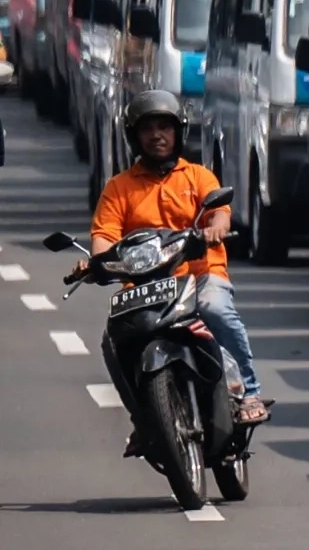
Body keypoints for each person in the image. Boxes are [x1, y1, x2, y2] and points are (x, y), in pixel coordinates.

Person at [75, 92, 269, 428]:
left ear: (179, 132)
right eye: (147, 128)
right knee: (115, 339)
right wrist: (95, 262)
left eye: (164, 127)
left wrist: (215, 230)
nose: (156, 135)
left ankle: (248, 391)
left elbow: (219, 214)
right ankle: (145, 421)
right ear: (134, 136)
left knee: (216, 309)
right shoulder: (118, 187)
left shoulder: (197, 176)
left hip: (201, 277)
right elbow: (105, 235)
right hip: (146, 288)